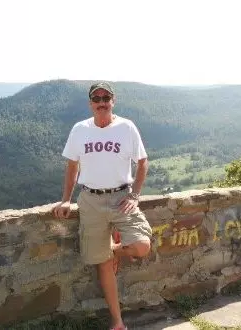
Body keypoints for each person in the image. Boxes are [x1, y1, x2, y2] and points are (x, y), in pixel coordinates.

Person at [53, 81, 152, 330]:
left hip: (121, 198)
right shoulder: (80, 129)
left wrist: (135, 195)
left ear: (113, 101)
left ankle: (115, 250)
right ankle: (117, 322)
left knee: (141, 246)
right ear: (90, 104)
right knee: (101, 262)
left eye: (105, 97)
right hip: (90, 200)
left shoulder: (126, 127)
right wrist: (66, 199)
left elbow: (142, 162)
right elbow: (72, 166)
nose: (101, 102)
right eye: (96, 99)